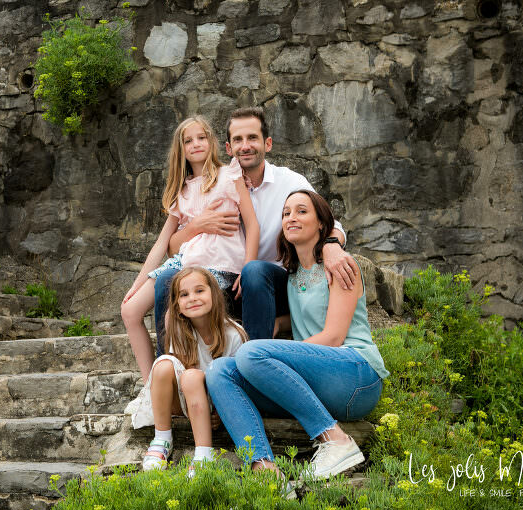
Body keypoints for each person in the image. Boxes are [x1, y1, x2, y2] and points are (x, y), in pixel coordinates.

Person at [206, 190, 390, 480]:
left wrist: (271, 355)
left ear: (321, 224)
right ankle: (265, 471)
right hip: (316, 383)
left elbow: (332, 337)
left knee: (252, 354)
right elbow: (298, 319)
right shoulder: (293, 277)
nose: (291, 217)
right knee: (220, 371)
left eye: (301, 211)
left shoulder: (341, 265)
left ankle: (336, 441)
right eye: (286, 213)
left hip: (356, 376)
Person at [153, 107, 359, 352]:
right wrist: (197, 225)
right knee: (168, 280)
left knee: (254, 270)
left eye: (252, 138)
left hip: (277, 285)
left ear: (267, 144)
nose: (245, 146)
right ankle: (166, 368)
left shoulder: (289, 182)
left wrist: (331, 246)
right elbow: (175, 248)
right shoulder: (215, 183)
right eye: (238, 140)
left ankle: (254, 363)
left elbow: (331, 225)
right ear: (228, 149)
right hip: (228, 282)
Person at [120, 116, 259, 381]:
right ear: (180, 149)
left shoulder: (229, 174)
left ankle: (172, 376)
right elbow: (163, 245)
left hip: (219, 265)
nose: (196, 144)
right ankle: (153, 383)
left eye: (201, 137)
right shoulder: (181, 189)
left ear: (212, 141)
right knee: (129, 310)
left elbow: (252, 225)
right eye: (188, 140)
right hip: (187, 262)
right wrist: (135, 286)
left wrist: (248, 268)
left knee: (171, 297)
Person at [128, 267, 248, 475]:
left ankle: (204, 454)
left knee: (192, 376)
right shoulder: (180, 331)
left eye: (199, 291)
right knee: (164, 364)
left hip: (222, 402)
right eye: (184, 295)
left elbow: (240, 383)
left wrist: (220, 411)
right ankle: (162, 440)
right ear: (177, 305)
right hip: (188, 399)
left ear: (215, 294)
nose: (192, 298)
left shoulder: (234, 334)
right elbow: (182, 375)